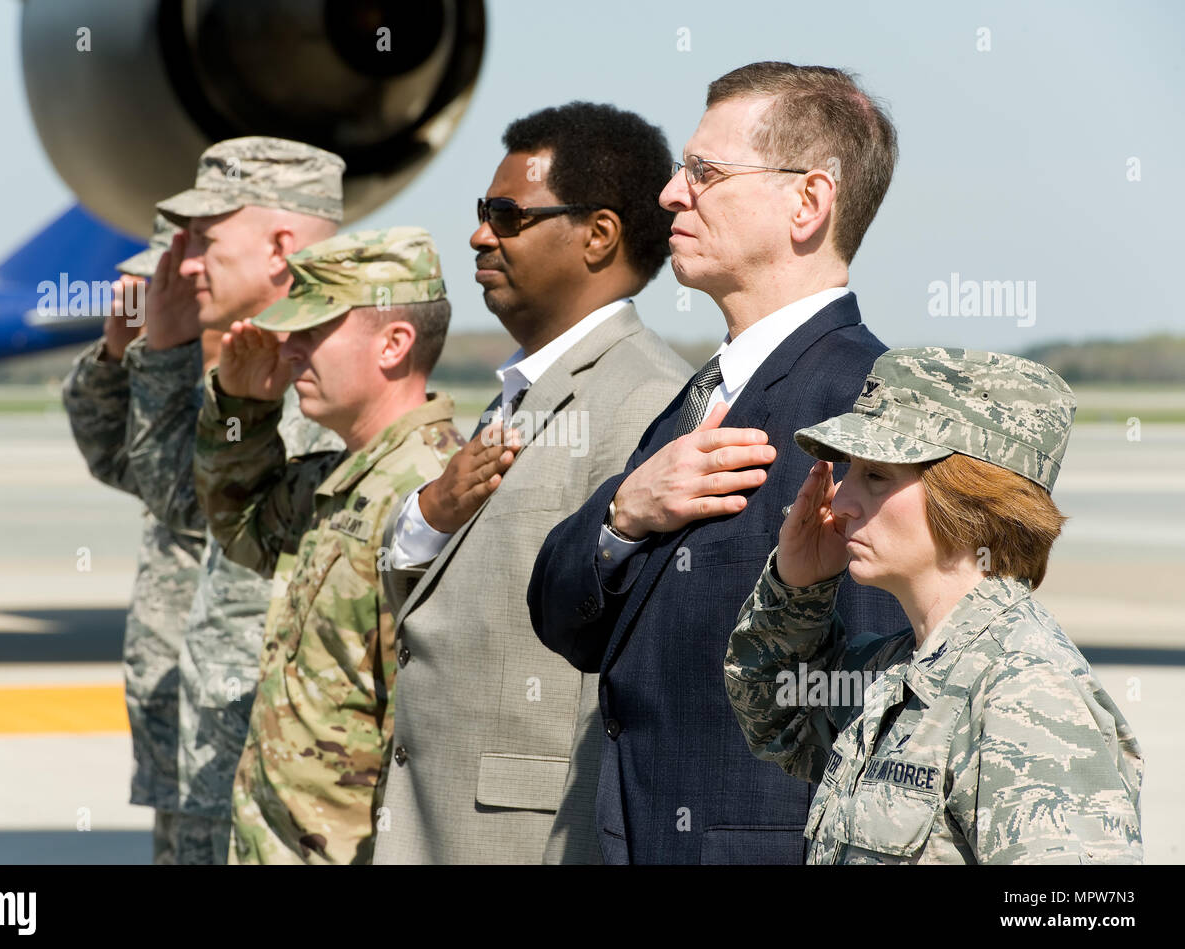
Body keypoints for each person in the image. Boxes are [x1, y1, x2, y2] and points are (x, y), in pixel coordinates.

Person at [527, 62, 909, 864]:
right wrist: (623, 512)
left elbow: (880, 718)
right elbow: (558, 612)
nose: (670, 194)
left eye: (703, 173)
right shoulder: (701, 397)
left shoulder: (864, 406)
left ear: (808, 202)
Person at [374, 103, 692, 864]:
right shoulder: (523, 390)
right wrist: (427, 516)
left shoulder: (645, 402)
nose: (481, 234)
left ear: (598, 235)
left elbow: (629, 684)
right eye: (484, 213)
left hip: (530, 838)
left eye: (507, 215)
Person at [724, 347, 1144, 864]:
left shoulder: (1025, 689)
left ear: (969, 498)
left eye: (877, 476)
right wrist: (797, 588)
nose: (842, 500)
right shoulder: (901, 667)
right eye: (850, 471)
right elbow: (777, 717)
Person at [193, 227, 466, 865]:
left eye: (312, 333)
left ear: (394, 344)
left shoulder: (429, 493)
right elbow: (240, 523)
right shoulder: (343, 478)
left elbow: (426, 732)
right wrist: (242, 406)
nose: (289, 353)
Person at [121, 137, 347, 863]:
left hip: (288, 777)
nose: (187, 263)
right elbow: (179, 502)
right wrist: (162, 353)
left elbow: (201, 508)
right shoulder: (264, 362)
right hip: (223, 751)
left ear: (282, 246)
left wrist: (165, 356)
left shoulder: (326, 376)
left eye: (207, 240)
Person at [61, 214, 200, 864]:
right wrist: (119, 353)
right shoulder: (174, 377)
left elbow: (185, 495)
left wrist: (163, 356)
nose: (133, 296)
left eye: (153, 280)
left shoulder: (261, 382)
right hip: (173, 715)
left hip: (230, 718)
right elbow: (113, 456)